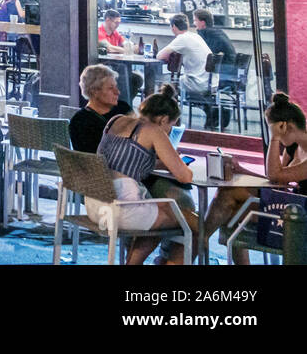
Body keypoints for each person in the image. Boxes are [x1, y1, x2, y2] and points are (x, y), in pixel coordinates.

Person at [90, 85, 198, 264]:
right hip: (121, 210)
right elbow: (185, 176)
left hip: (96, 204)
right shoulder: (153, 130)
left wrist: (161, 162)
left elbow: (126, 158)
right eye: (171, 125)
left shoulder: (116, 120)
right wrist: (178, 162)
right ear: (163, 120)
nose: (170, 131)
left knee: (162, 215)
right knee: (195, 225)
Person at [204, 93, 307, 264]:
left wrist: (274, 138)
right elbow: (277, 181)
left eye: (274, 130)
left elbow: (276, 175)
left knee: (231, 207)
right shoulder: (294, 146)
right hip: (291, 205)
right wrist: (242, 169)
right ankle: (200, 239)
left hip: (300, 216)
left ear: (285, 126)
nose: (277, 137)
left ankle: (199, 239)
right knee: (229, 199)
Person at [69, 63, 133, 152]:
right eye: (111, 88)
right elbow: (93, 159)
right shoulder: (80, 122)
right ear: (94, 91)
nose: (117, 92)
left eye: (116, 86)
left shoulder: (122, 108)